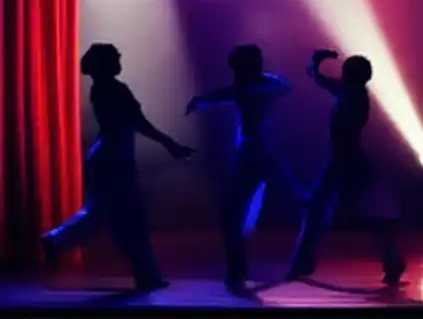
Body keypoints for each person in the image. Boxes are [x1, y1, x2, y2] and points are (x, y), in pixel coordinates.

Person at [42, 44, 195, 292]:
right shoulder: (115, 89)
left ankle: (56, 239)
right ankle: (146, 276)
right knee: (131, 217)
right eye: (115, 58)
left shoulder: (100, 88)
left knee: (100, 212)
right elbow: (139, 123)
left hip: (105, 154)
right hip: (115, 157)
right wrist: (170, 144)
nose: (119, 62)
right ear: (105, 63)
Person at [286, 50, 406, 286]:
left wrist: (317, 61)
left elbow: (320, 80)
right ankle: (303, 264)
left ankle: (392, 263)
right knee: (326, 210)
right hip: (343, 161)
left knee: (359, 214)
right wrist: (317, 61)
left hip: (348, 162)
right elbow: (319, 79)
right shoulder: (351, 92)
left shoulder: (354, 95)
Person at [186, 44, 299, 291]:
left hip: (255, 157)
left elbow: (234, 93)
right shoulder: (262, 86)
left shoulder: (255, 88)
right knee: (237, 213)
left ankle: (239, 271)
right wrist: (204, 101)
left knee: (232, 214)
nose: (234, 71)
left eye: (237, 66)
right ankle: (240, 270)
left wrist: (203, 101)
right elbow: (236, 92)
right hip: (256, 155)